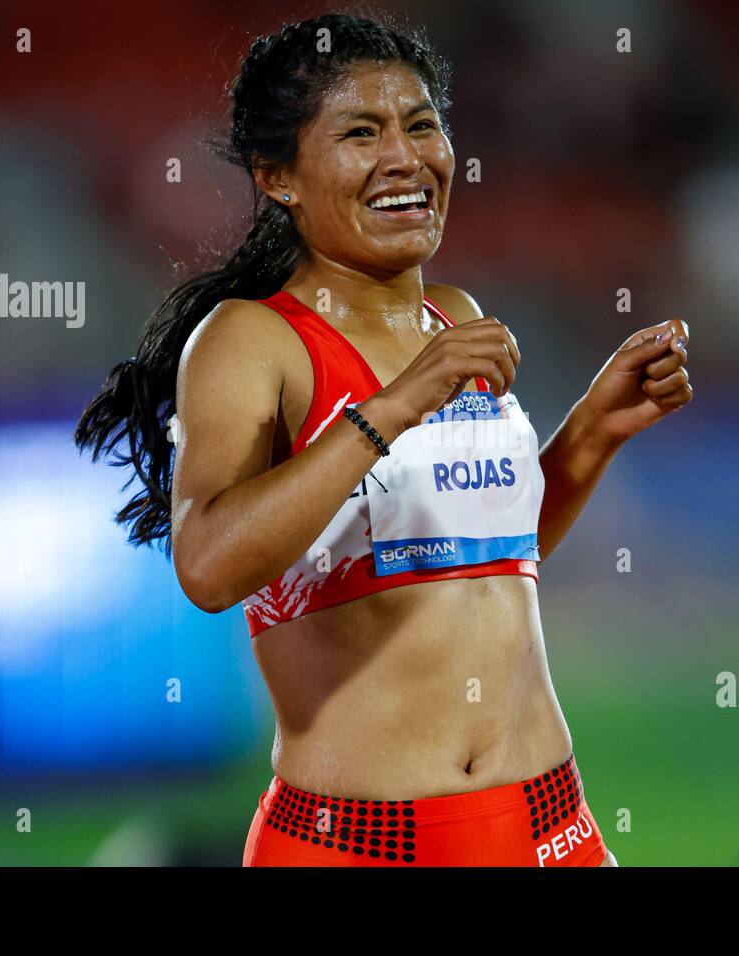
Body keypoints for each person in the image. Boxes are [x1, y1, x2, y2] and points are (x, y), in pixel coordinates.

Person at [74, 13, 691, 867]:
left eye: (421, 124)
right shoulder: (252, 342)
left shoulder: (457, 320)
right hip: (361, 846)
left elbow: (483, 567)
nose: (404, 157)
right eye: (361, 132)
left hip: (554, 828)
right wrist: (393, 405)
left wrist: (594, 429)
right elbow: (209, 566)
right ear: (277, 175)